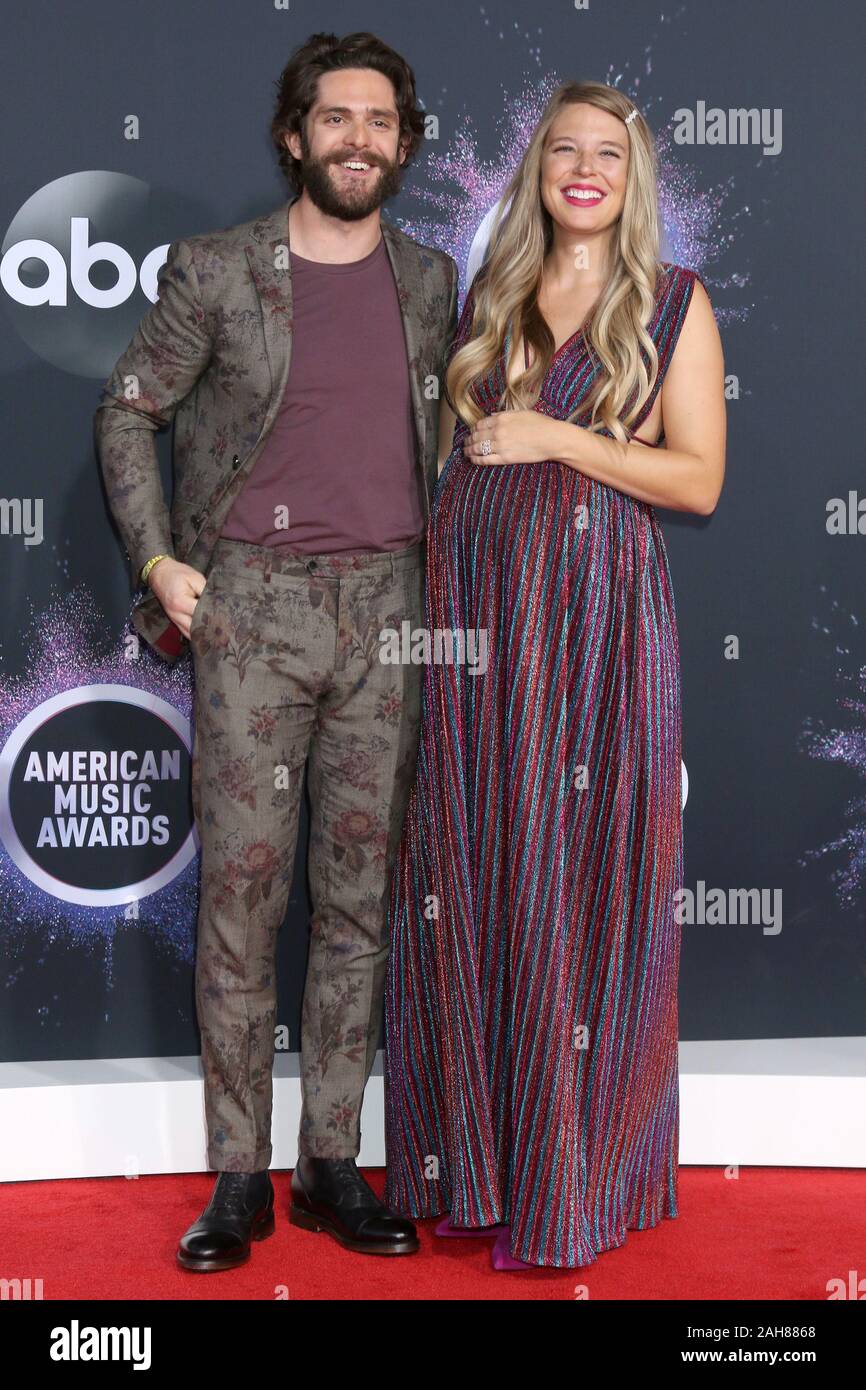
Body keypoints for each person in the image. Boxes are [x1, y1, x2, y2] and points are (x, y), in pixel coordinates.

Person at [94, 30, 457, 1270]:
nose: (356, 139)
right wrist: (158, 563)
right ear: (293, 134)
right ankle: (239, 1176)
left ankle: (333, 1161)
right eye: (333, 118)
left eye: (378, 121)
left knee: (358, 909)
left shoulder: (430, 279)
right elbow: (127, 411)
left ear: (402, 144)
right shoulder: (212, 272)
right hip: (251, 610)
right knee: (246, 900)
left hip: (394, 612)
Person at [383, 81, 726, 1269]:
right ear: (534, 170)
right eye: (563, 150)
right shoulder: (484, 295)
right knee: (473, 875)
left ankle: (574, 1176)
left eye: (609, 156)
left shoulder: (671, 302)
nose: (584, 170)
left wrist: (557, 435)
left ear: (634, 183)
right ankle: (476, 1164)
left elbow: (695, 482)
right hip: (473, 627)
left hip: (591, 630)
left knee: (578, 882)